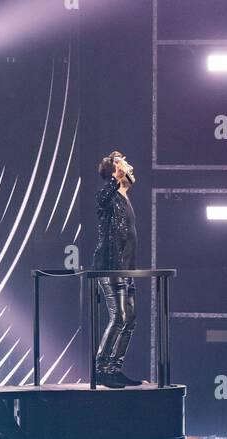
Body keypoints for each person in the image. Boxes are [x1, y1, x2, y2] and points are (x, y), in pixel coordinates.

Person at [93, 151, 142, 388]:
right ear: (116, 172)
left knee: (130, 318)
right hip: (111, 267)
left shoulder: (123, 197)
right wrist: (115, 176)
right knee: (120, 317)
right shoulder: (109, 198)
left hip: (126, 269)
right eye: (125, 165)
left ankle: (114, 368)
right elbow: (100, 199)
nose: (130, 167)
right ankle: (101, 368)